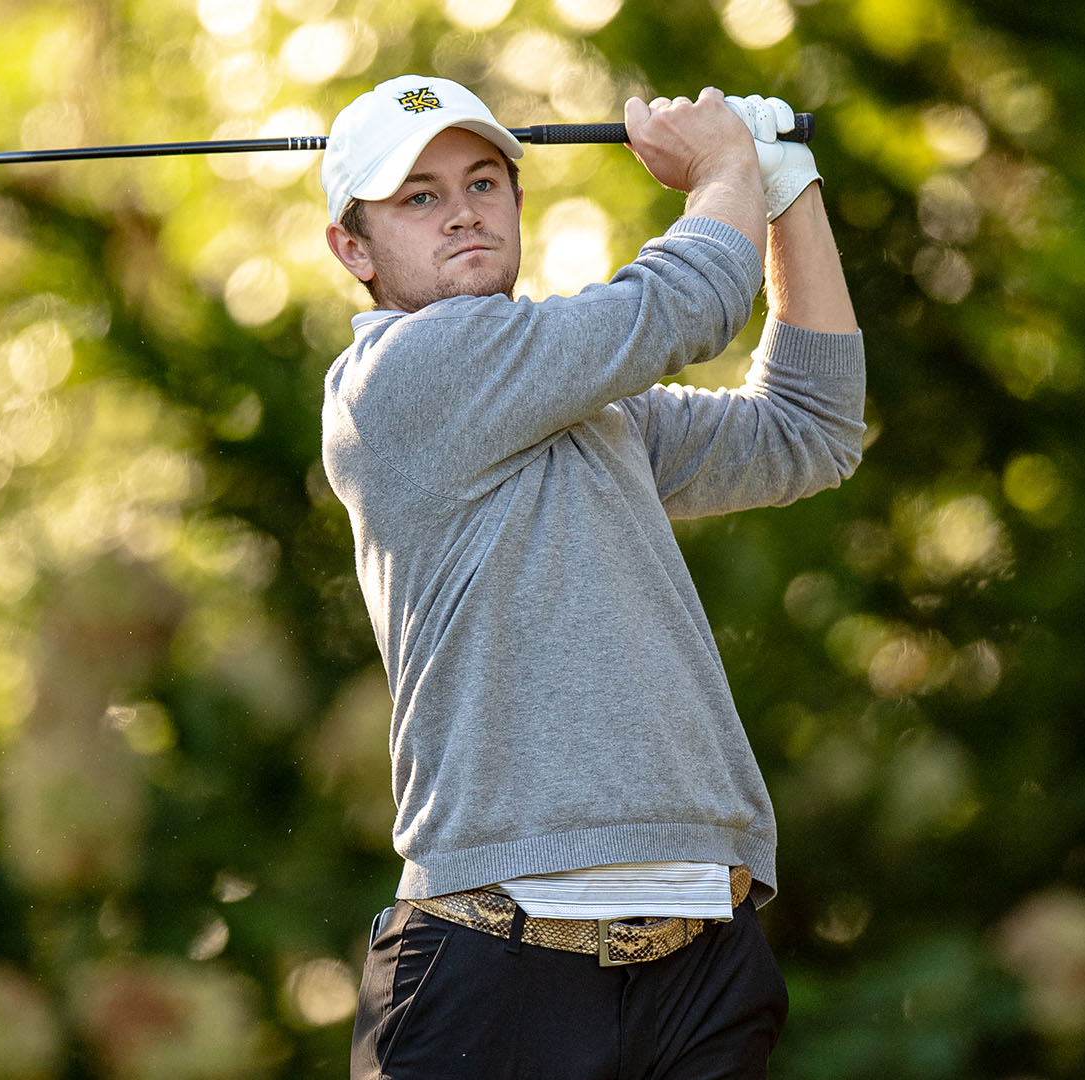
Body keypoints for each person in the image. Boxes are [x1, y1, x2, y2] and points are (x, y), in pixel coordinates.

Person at [319, 73, 865, 1079]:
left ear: (517, 201)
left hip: (701, 962)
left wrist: (787, 187)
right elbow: (688, 300)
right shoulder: (398, 380)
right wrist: (725, 169)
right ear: (353, 249)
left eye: (483, 183)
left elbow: (810, 429)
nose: (462, 213)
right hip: (495, 969)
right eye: (419, 197)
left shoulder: (593, 414)